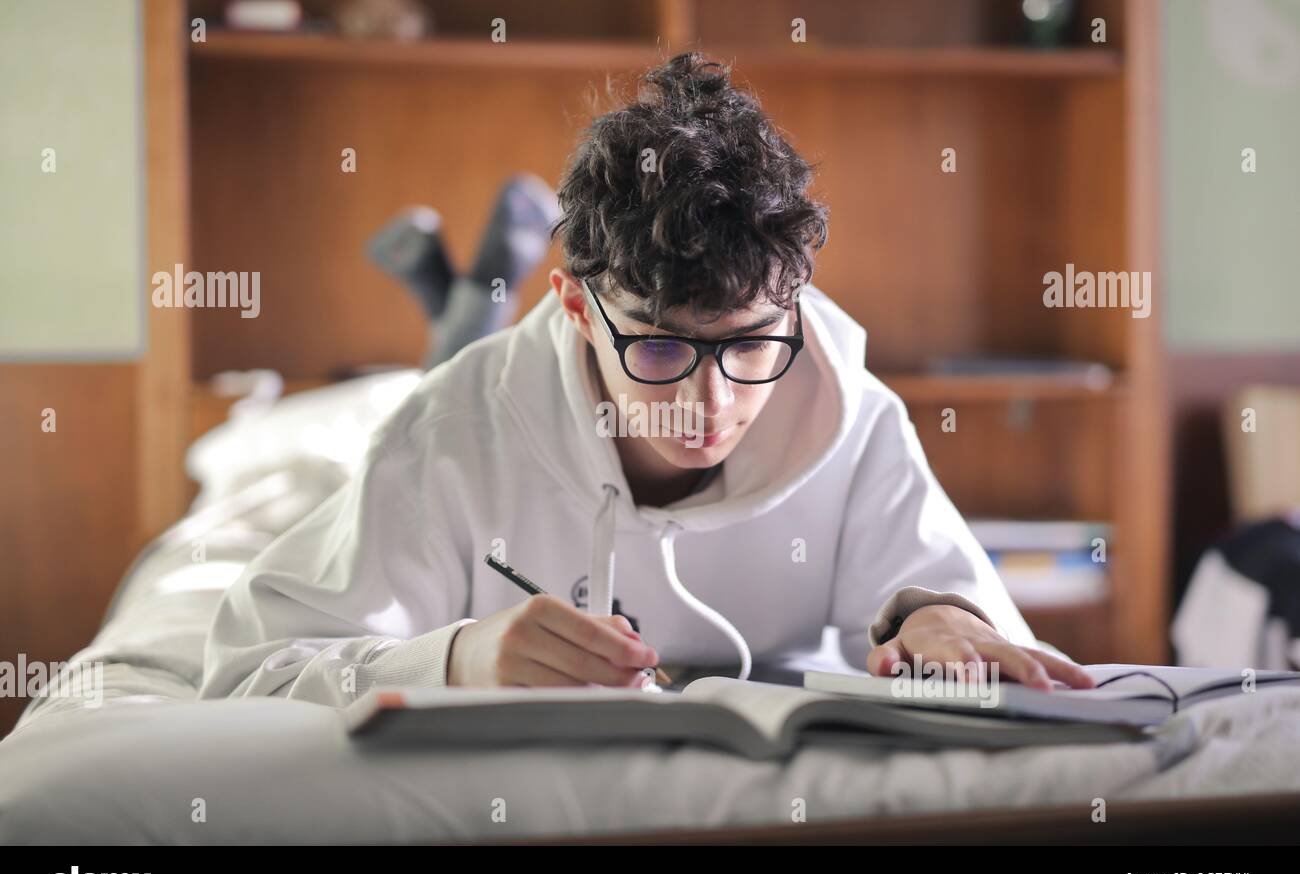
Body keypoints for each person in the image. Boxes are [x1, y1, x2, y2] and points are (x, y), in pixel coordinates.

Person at [199, 52, 1093, 705]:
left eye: (749, 347)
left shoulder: (850, 410)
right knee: (335, 442)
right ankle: (464, 315)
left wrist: (940, 623)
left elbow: (958, 617)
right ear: (578, 308)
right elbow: (247, 667)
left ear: (794, 309)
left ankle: (468, 298)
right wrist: (458, 658)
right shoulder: (449, 430)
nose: (712, 406)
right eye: (661, 350)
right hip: (467, 398)